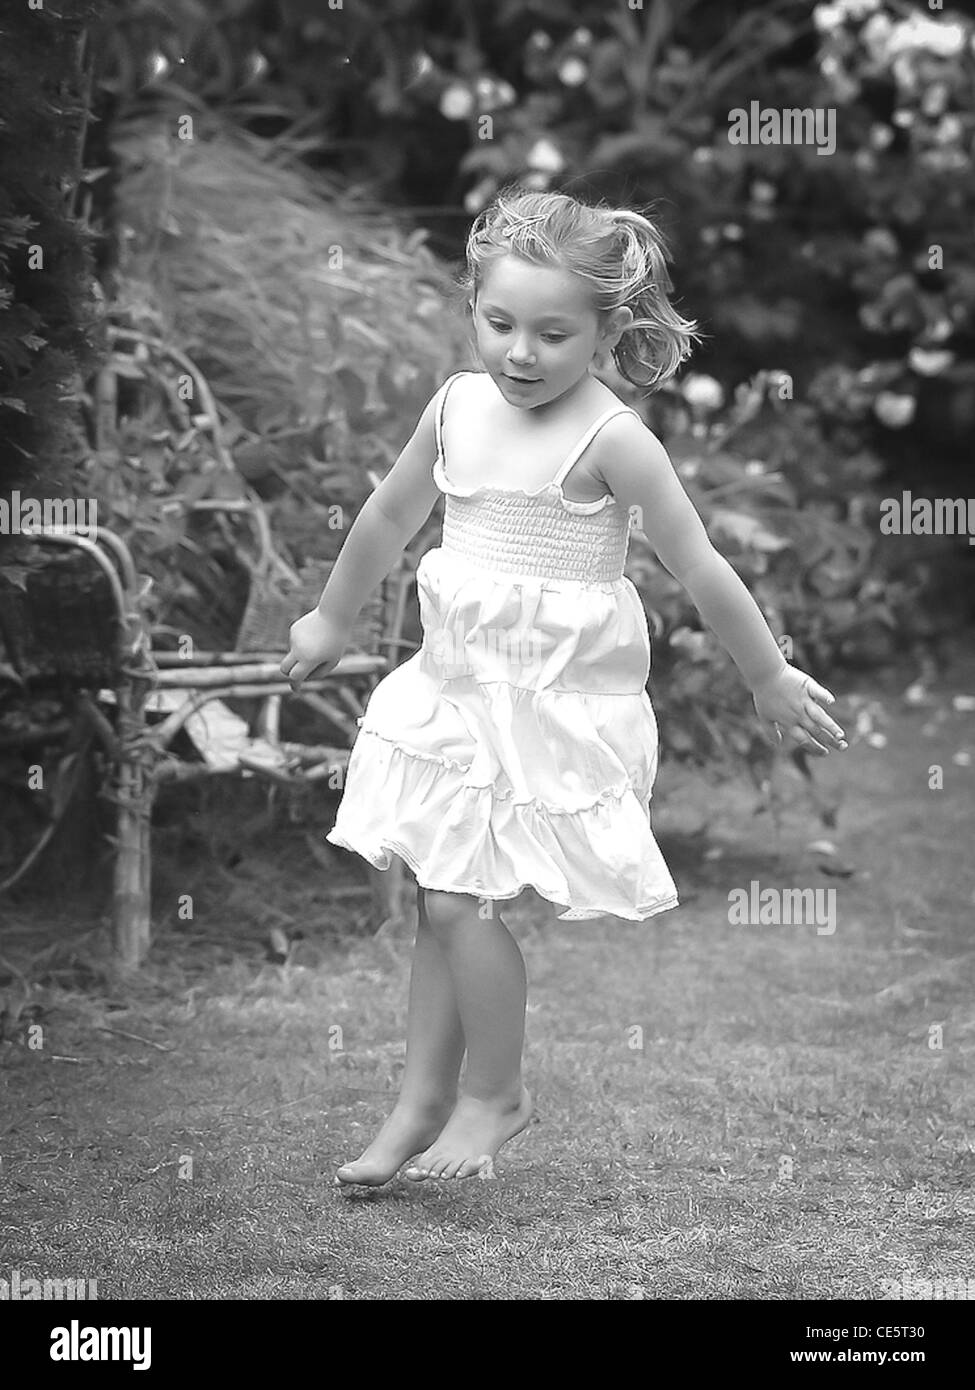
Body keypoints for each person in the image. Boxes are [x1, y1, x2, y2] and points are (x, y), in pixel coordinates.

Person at [279, 187, 847, 1187]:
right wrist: (330, 616)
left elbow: (698, 563)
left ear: (604, 330)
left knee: (461, 902)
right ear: (473, 309)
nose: (521, 353)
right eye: (499, 324)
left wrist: (766, 672)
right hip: (456, 693)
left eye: (553, 332)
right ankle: (419, 1102)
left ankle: (495, 1092)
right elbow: (385, 515)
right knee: (440, 897)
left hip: (552, 708)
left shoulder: (612, 438)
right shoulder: (457, 406)